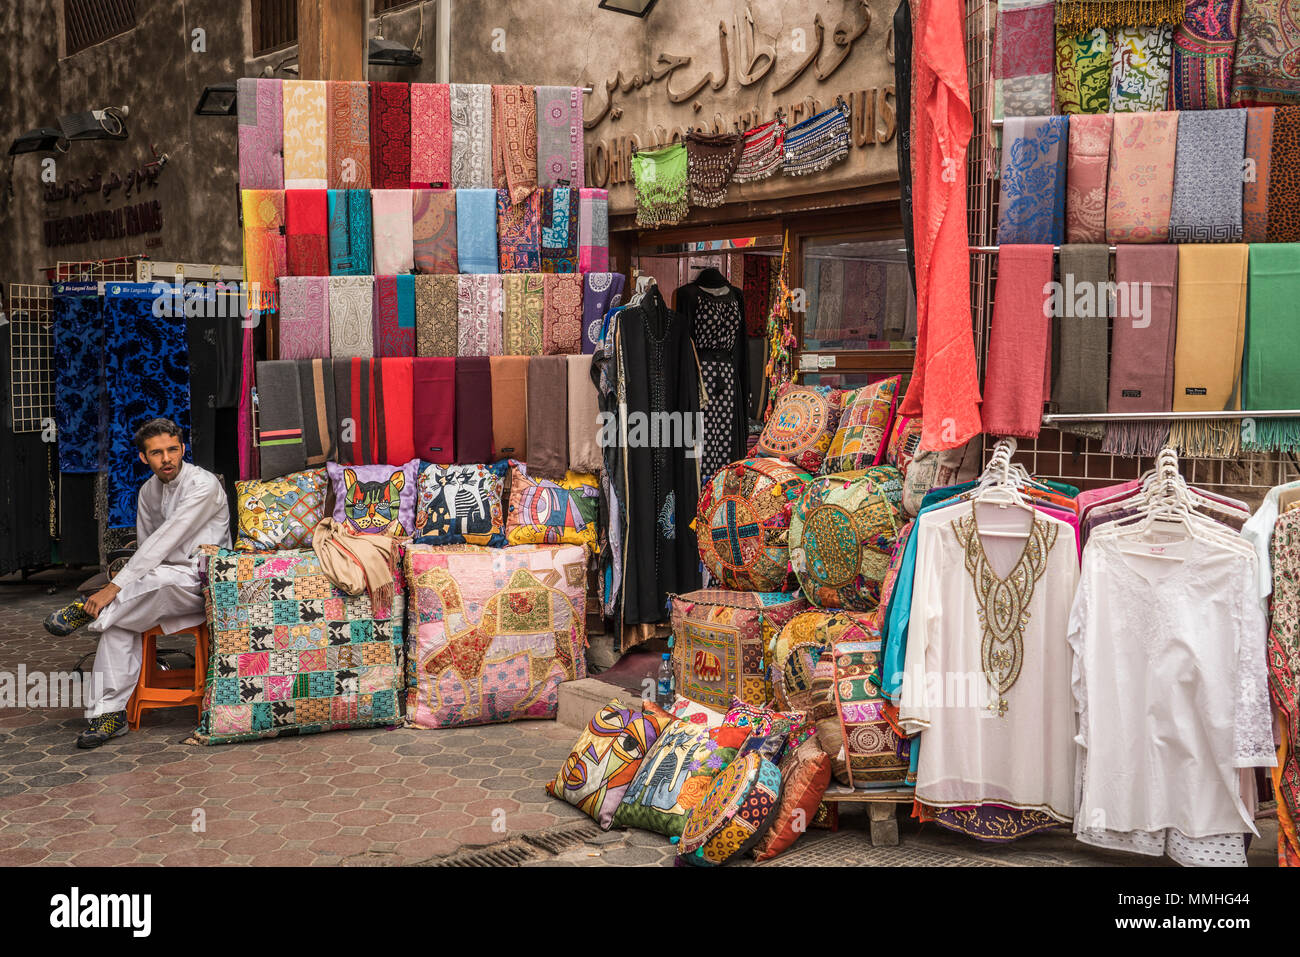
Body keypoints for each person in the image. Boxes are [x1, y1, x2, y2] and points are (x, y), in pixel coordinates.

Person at [44, 418, 230, 748]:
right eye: (157, 453)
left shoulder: (203, 485)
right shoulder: (148, 491)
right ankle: (108, 717)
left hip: (201, 583)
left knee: (134, 592)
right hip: (154, 589)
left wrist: (112, 588)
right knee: (117, 625)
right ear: (144, 458)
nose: (167, 458)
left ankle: (89, 610)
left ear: (183, 448)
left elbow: (163, 540)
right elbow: (147, 549)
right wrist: (121, 586)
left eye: (173, 449)